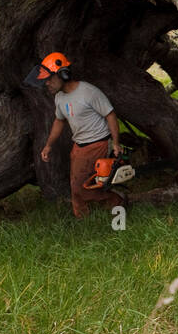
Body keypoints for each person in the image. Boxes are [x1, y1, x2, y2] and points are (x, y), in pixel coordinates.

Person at [23, 51, 124, 218]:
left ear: (63, 74)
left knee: (81, 188)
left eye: (49, 79)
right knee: (76, 186)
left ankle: (117, 202)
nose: (47, 84)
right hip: (78, 146)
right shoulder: (59, 98)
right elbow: (59, 121)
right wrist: (48, 145)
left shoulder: (88, 92)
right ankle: (83, 219)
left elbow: (110, 114)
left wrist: (116, 143)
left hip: (97, 143)